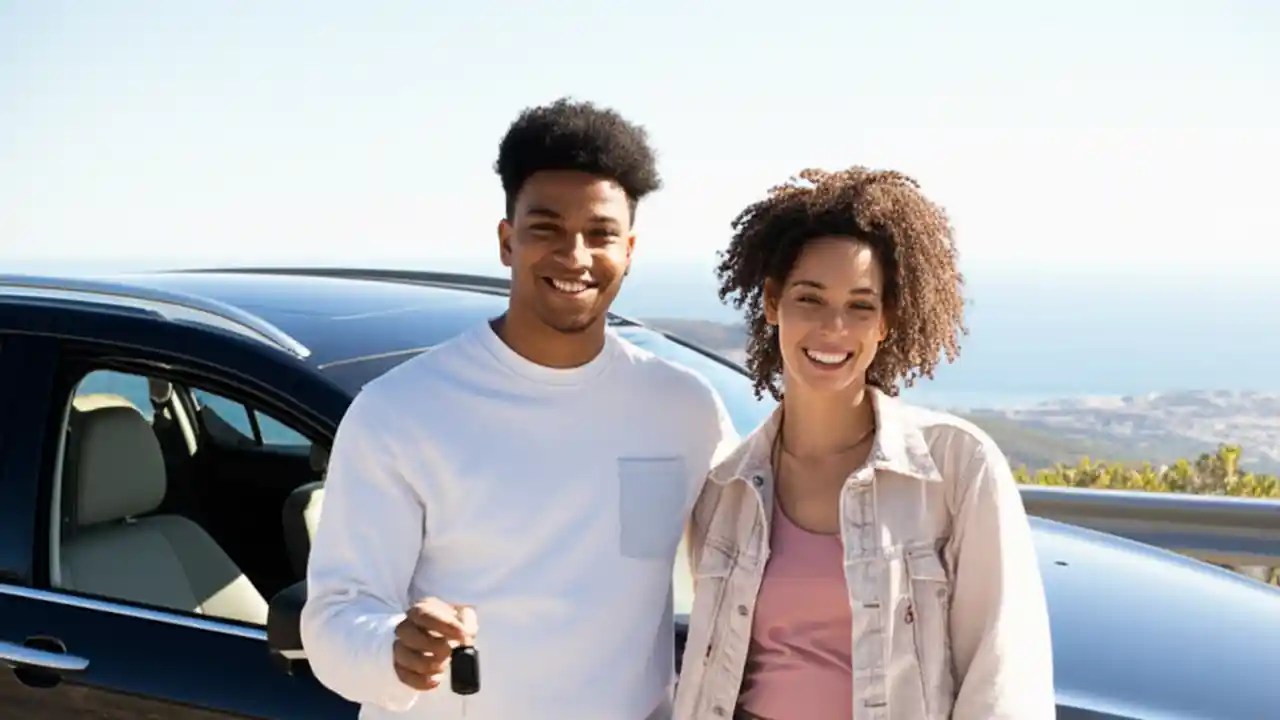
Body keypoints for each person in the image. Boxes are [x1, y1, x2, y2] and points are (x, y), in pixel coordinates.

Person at [300, 98, 739, 720]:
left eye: (600, 234)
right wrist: (393, 649)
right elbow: (334, 619)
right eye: (547, 229)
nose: (575, 256)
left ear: (630, 249)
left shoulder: (683, 408)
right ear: (508, 241)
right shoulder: (401, 411)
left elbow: (758, 565)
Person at [673, 167, 1056, 720]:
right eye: (810, 299)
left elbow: (1003, 673)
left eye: (860, 306)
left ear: (886, 322)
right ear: (773, 302)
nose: (834, 327)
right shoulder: (727, 488)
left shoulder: (955, 468)